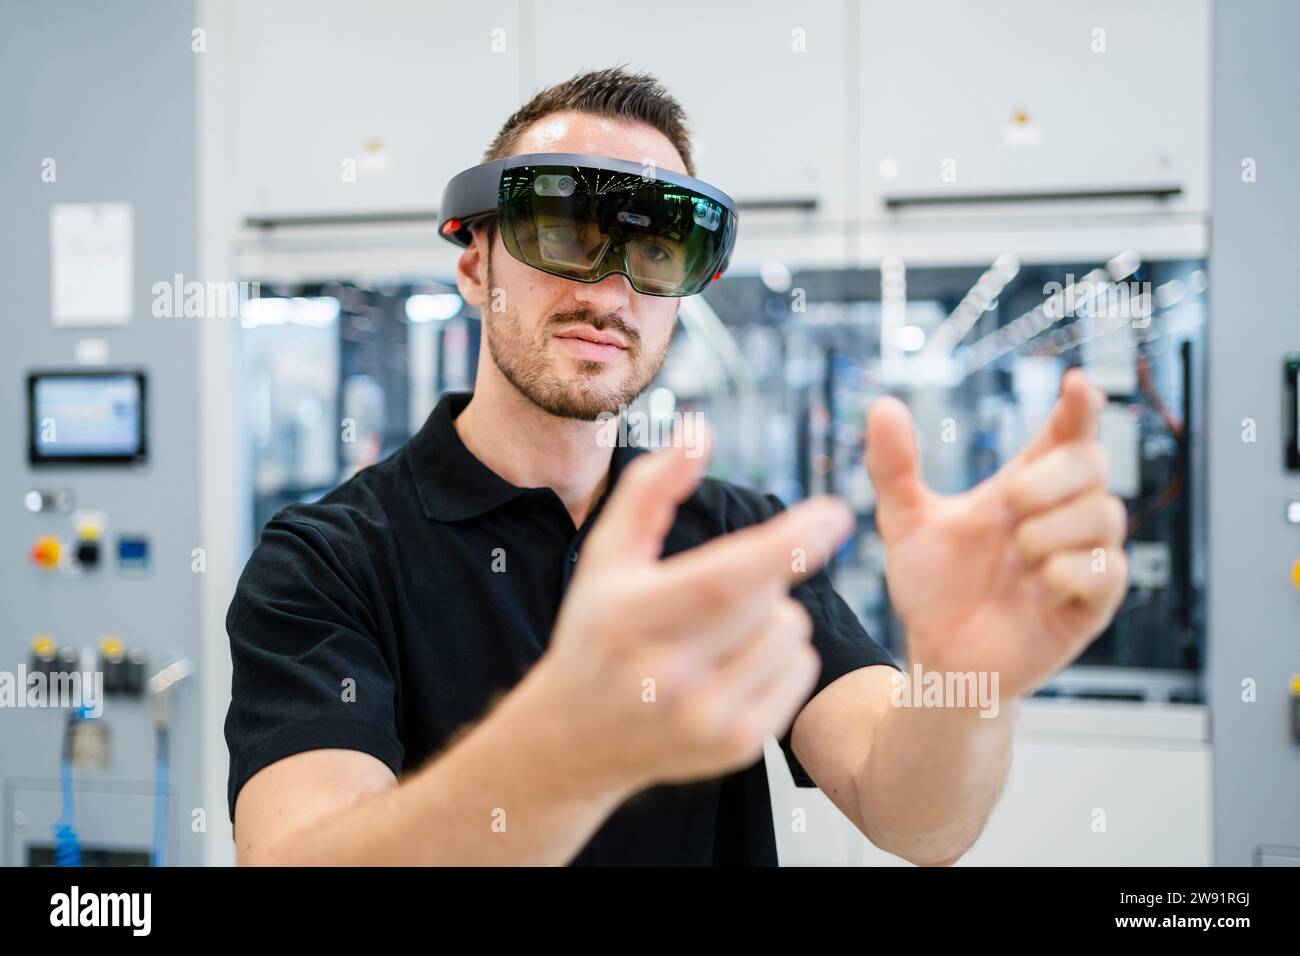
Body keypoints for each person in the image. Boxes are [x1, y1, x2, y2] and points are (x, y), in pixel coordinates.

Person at [224, 67, 1127, 866]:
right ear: (474, 262)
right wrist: (568, 749)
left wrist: (965, 682)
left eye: (654, 252)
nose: (610, 292)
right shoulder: (327, 561)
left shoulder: (736, 538)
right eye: (562, 232)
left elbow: (919, 824)